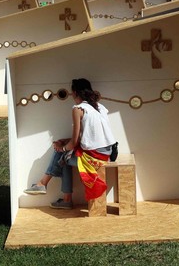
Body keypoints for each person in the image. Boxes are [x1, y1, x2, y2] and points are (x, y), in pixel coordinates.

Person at [24, 78, 117, 210]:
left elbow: (74, 143)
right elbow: (88, 136)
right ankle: (53, 190)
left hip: (95, 157)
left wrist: (61, 147)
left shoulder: (78, 109)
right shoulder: (99, 107)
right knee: (64, 157)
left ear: (74, 93)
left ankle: (45, 184)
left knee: (60, 155)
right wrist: (65, 142)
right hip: (107, 152)